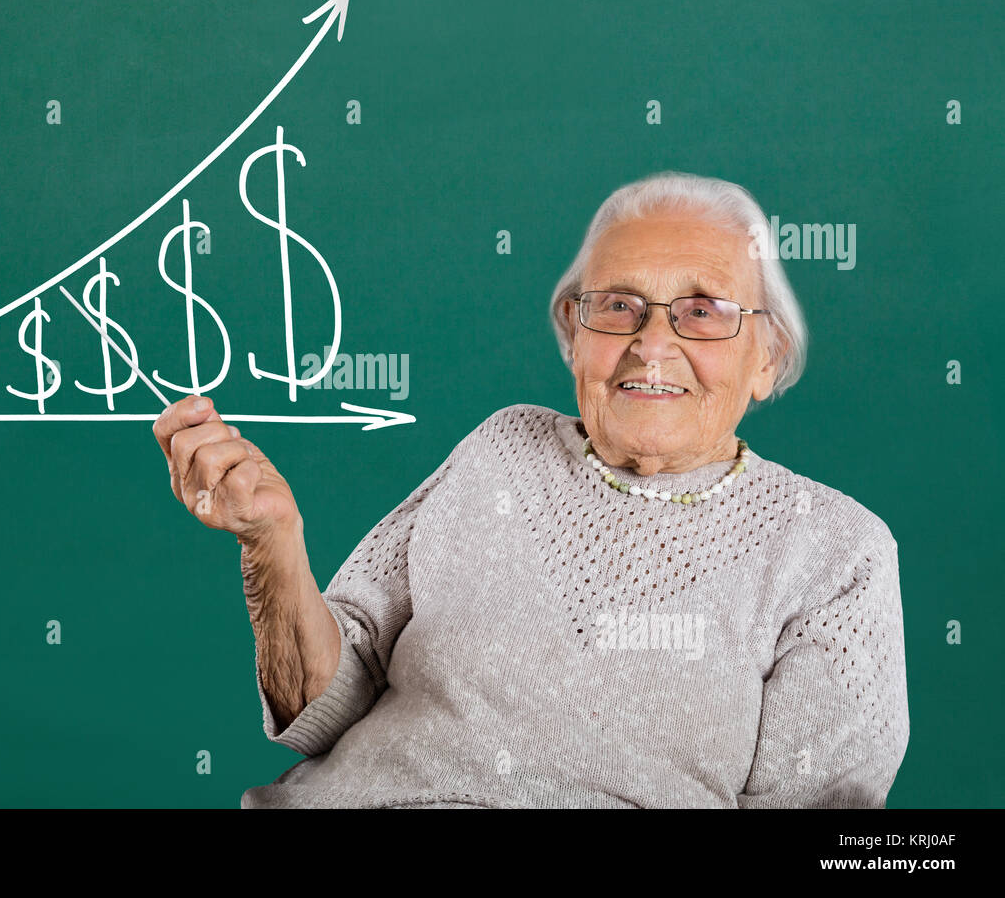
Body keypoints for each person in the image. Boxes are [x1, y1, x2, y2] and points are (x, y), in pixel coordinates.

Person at [152, 170, 910, 808]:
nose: (653, 343)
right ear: (573, 333)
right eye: (618, 306)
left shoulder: (835, 549)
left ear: (767, 356)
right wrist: (272, 545)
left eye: (702, 312)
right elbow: (322, 708)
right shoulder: (501, 447)